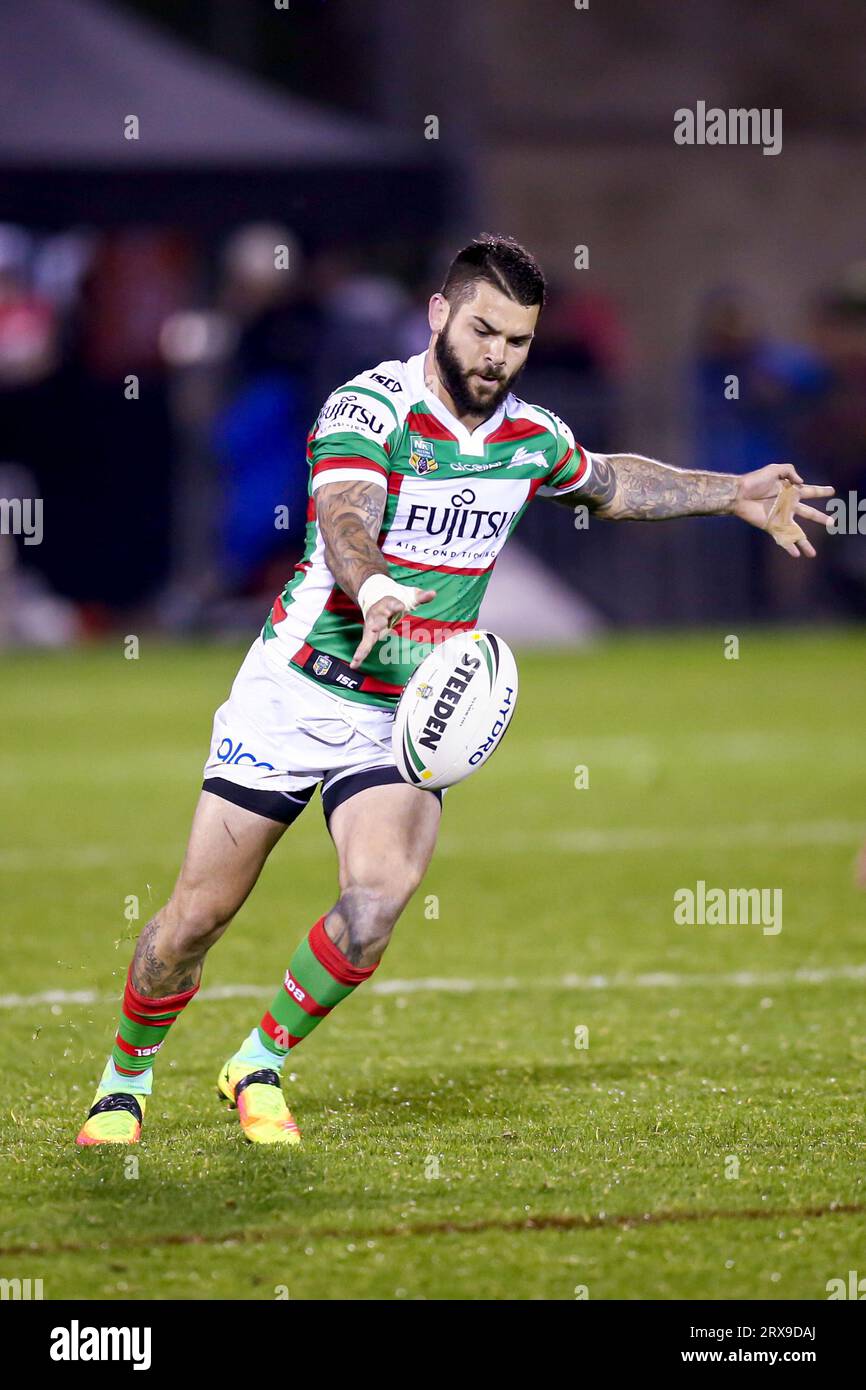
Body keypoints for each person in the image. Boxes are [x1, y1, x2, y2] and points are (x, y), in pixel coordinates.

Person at [76, 235, 834, 1146]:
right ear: (439, 314)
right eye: (483, 331)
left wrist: (731, 492)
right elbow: (345, 515)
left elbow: (611, 484)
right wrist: (377, 585)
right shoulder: (370, 407)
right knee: (196, 918)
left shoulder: (529, 436)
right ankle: (125, 1078)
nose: (497, 357)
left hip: (404, 712)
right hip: (296, 690)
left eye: (516, 342)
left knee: (375, 906)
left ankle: (260, 1063)